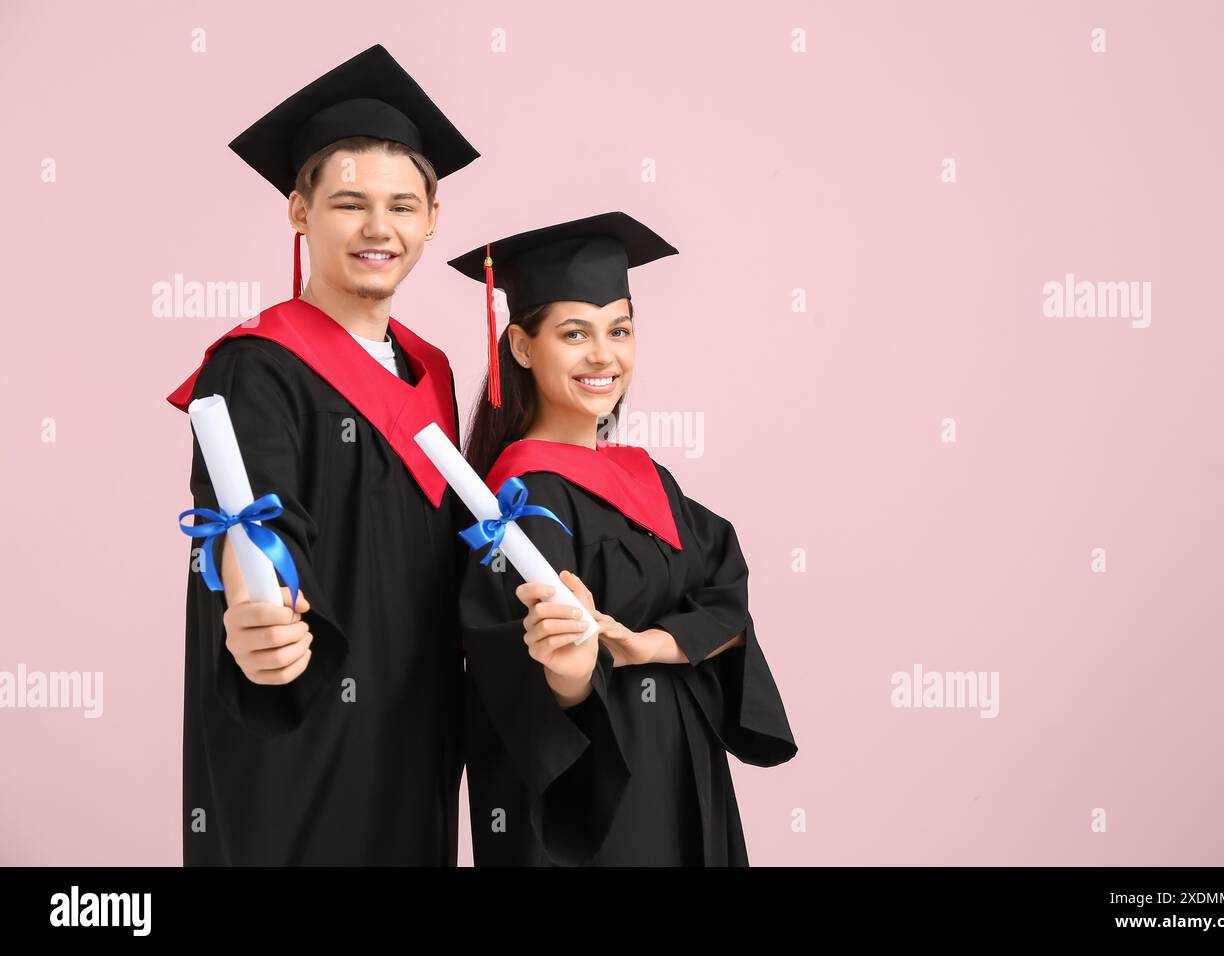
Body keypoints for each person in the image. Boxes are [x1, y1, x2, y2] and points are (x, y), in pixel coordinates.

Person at [167, 44, 479, 865]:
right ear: (299, 212)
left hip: (417, 731)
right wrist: (254, 618)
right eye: (348, 203)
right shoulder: (255, 364)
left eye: (403, 206)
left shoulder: (431, 371)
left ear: (433, 219)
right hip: (305, 731)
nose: (380, 229)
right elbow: (249, 519)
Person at [447, 211, 798, 866]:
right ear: (521, 346)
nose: (603, 355)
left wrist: (649, 645)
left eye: (620, 330)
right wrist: (573, 676)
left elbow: (727, 595)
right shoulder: (518, 502)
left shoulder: (650, 479)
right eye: (575, 333)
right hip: (597, 805)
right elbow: (515, 685)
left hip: (685, 771)